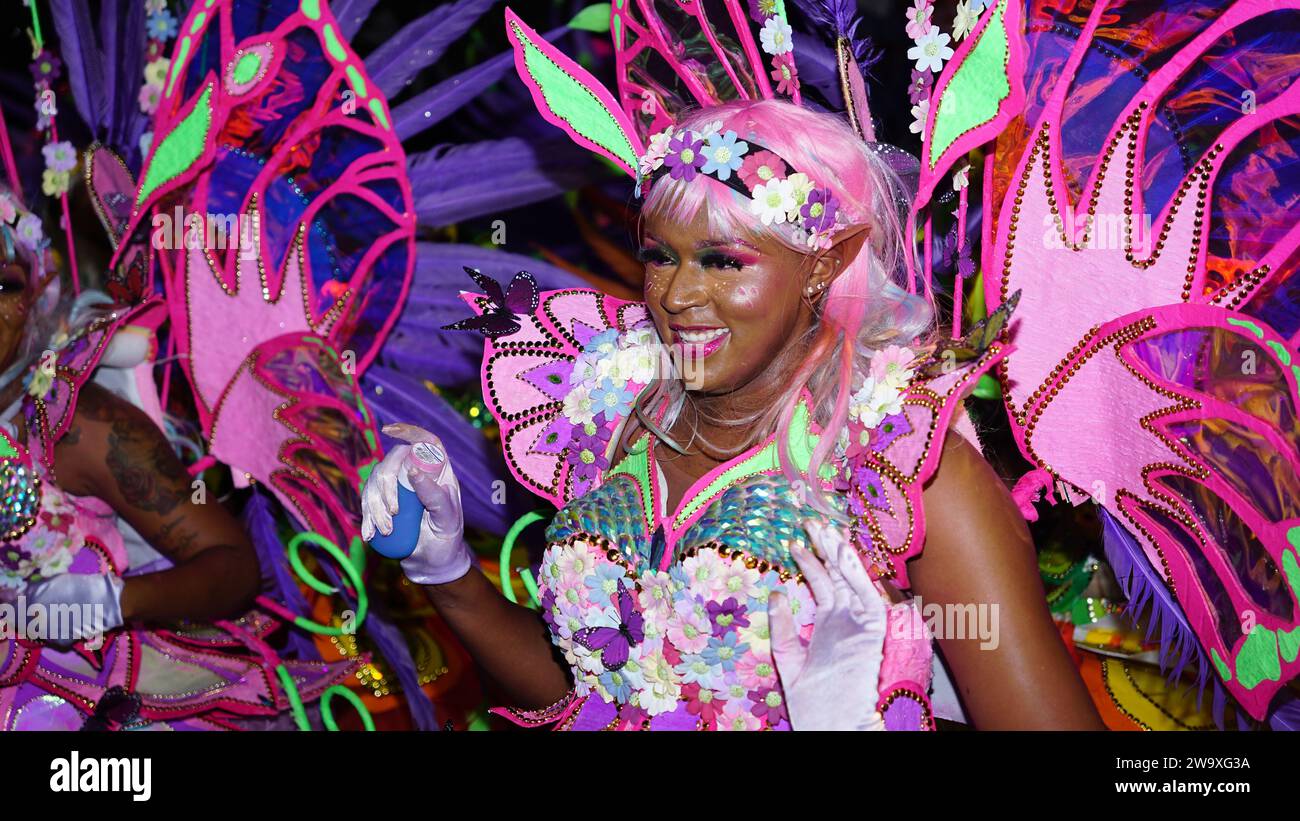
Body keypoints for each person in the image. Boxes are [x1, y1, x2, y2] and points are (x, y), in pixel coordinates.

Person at [362, 96, 1104, 731]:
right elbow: (597, 699)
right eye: (660, 255)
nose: (678, 296)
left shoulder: (901, 464)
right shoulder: (611, 407)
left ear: (820, 264)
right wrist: (449, 572)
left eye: (724, 261)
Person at [0, 188, 350, 730]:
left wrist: (115, 601)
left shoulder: (77, 424)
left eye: (5, 284)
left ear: (35, 299)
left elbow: (233, 566)